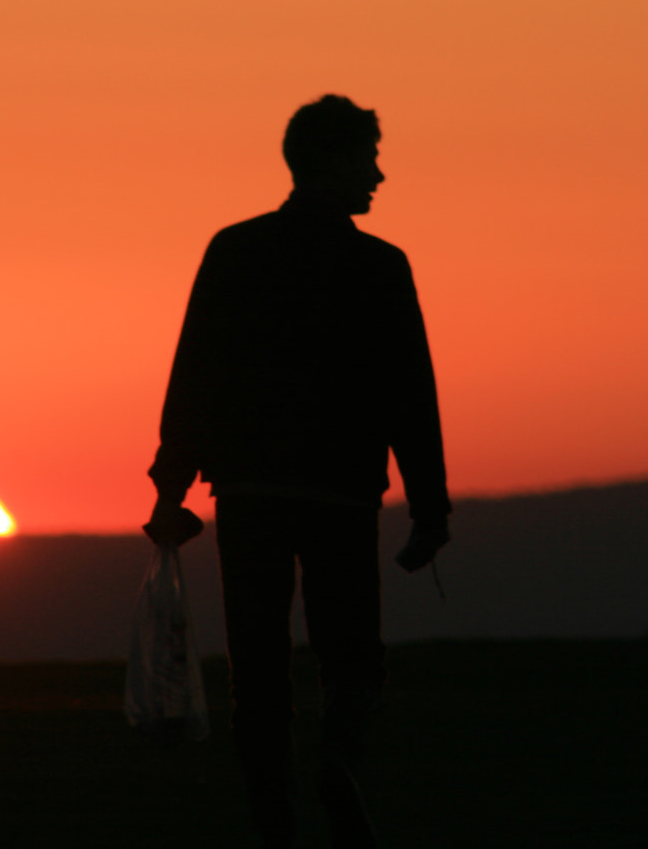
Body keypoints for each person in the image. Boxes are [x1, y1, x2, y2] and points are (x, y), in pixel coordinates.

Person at [146, 94, 451, 849]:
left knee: (259, 665)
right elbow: (410, 391)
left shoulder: (235, 248)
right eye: (368, 158)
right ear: (337, 159)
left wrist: (170, 481)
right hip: (342, 493)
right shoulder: (380, 265)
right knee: (353, 655)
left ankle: (273, 820)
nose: (379, 175)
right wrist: (430, 507)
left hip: (248, 491)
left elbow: (197, 370)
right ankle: (338, 767)